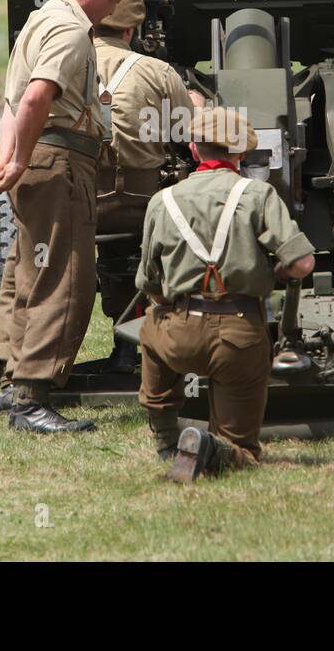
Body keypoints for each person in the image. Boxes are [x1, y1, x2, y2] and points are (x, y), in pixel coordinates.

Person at [0, 0, 136, 433]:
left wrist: (10, 160)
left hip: (36, 159)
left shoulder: (39, 20)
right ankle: (32, 398)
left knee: (25, 269)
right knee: (65, 277)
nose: (112, 15)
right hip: (59, 160)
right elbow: (36, 96)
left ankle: (11, 381)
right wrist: (22, 159)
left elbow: (12, 102)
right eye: (114, 3)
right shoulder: (70, 31)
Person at [136, 107, 316, 482]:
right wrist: (274, 272)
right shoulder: (259, 194)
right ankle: (213, 448)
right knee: (243, 449)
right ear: (241, 153)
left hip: (177, 336)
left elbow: (148, 281)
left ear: (193, 148)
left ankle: (167, 440)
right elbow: (302, 264)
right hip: (239, 334)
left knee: (151, 326)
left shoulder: (162, 200)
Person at [92, 0, 203, 373]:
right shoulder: (155, 70)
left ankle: (124, 349)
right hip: (144, 203)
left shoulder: (66, 63)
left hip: (86, 203)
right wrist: (196, 101)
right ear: (130, 29)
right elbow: (188, 133)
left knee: (111, 253)